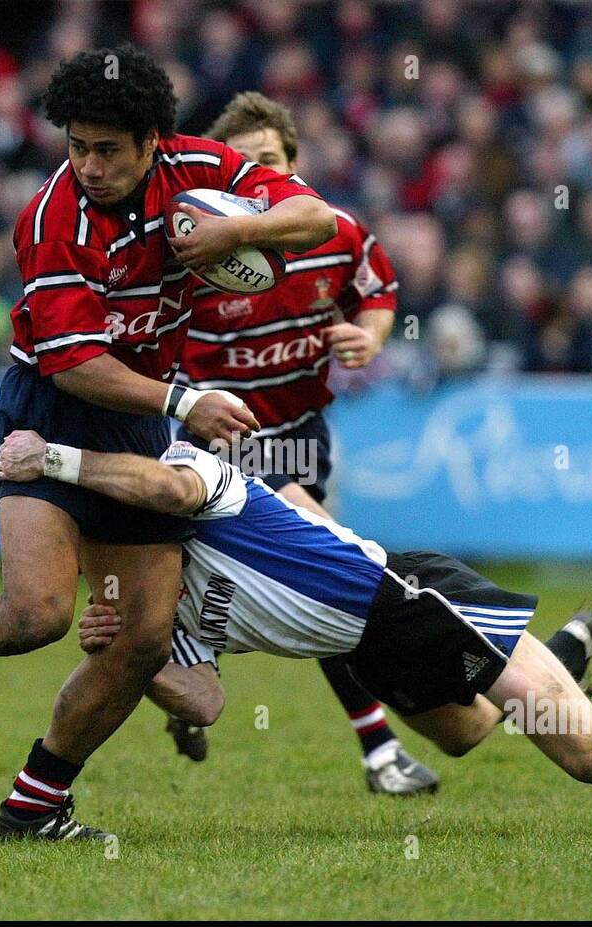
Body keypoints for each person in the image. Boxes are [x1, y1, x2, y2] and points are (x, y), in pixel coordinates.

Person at [0, 46, 337, 843]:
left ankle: (34, 806)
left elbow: (320, 220)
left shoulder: (200, 168)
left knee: (141, 641)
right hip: (51, 412)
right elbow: (77, 364)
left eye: (107, 149)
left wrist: (235, 229)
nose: (88, 165)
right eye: (76, 146)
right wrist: (186, 399)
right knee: (39, 614)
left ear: (153, 142)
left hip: (137, 423)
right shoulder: (53, 218)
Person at [0, 431, 592, 842]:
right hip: (370, 646)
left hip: (409, 602)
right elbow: (205, 698)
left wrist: (54, 460)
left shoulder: (192, 475)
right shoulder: (147, 601)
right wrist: (117, 656)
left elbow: (172, 491)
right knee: (471, 731)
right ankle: (561, 654)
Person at [174, 91, 435, 795]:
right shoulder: (193, 250)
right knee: (330, 573)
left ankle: (185, 661)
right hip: (216, 441)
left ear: (293, 168)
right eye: (244, 168)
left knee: (309, 582)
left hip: (301, 435)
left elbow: (376, 291)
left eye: (271, 164)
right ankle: (380, 751)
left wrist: (368, 336)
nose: (259, 180)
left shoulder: (337, 232)